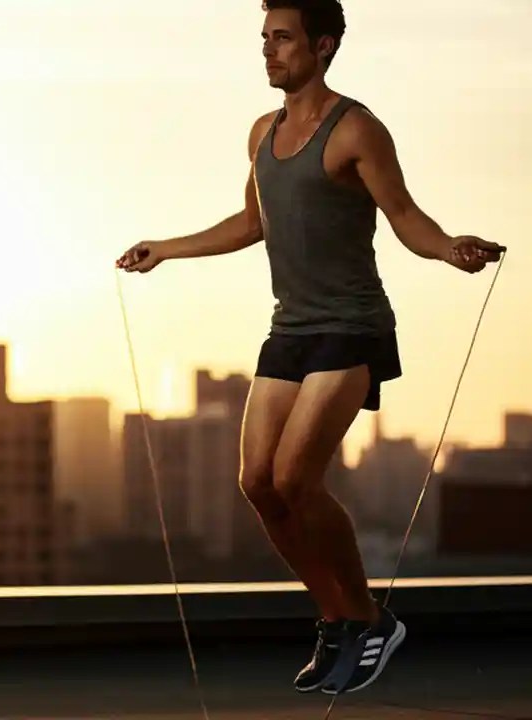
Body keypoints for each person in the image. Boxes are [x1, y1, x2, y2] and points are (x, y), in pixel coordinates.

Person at [115, 0, 504, 696]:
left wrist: (451, 248)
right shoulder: (261, 133)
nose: (269, 50)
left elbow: (404, 215)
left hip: (351, 328)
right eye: (265, 38)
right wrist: (164, 249)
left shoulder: (356, 129)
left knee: (297, 479)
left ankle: (372, 620)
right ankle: (336, 620)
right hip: (290, 329)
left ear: (322, 46)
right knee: (257, 484)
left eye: (284, 38)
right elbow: (252, 222)